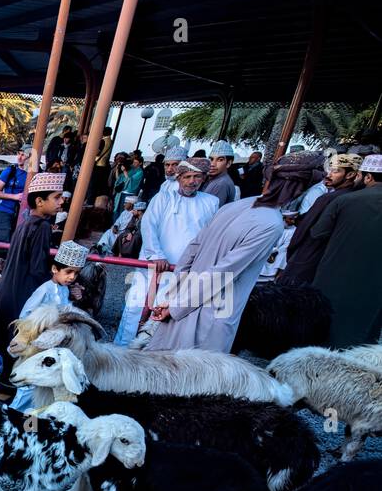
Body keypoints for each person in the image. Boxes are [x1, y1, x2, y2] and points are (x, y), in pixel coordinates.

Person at [146, 151, 322, 352]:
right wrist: (176, 307)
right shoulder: (272, 223)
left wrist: (174, 296)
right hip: (211, 313)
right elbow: (223, 272)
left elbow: (192, 250)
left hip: (184, 299)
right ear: (300, 189)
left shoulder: (237, 206)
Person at [111, 159, 219, 346]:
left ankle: (151, 354)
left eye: (197, 177)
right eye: (187, 177)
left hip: (183, 269)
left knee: (165, 311)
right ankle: (122, 350)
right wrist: (157, 255)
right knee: (136, 308)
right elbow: (148, 226)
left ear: (203, 178)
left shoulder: (211, 202)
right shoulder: (163, 198)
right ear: (178, 178)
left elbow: (209, 235)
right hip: (154, 263)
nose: (192, 181)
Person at [0, 171, 66, 400]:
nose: (61, 202)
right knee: (16, 344)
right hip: (23, 294)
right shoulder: (43, 227)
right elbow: (37, 270)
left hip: (7, 290)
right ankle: (5, 393)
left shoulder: (26, 222)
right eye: (56, 197)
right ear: (40, 200)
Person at [306, 153, 382, 346]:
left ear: (368, 177)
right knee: (360, 334)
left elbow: (317, 233)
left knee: (321, 330)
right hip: (375, 286)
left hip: (333, 276)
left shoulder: (344, 201)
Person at [12, 241, 91, 410]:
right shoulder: (44, 290)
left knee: (42, 390)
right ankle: (14, 419)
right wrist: (44, 324)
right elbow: (25, 316)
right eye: (68, 272)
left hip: (51, 348)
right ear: (55, 269)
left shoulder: (64, 289)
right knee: (27, 389)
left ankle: (32, 425)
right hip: (36, 346)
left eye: (76, 273)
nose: (72, 277)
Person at [280, 152, 362, 286]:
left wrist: (292, 254)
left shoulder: (328, 198)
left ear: (350, 175)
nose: (328, 175)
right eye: (329, 171)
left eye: (335, 171)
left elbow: (304, 230)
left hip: (305, 259)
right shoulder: (354, 197)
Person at [0, 147, 31, 243]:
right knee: (2, 245)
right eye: (19, 154)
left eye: (23, 155)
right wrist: (15, 197)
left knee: (15, 244)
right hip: (4, 211)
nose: (19, 157)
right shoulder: (10, 171)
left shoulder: (33, 173)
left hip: (22, 214)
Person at [201, 140, 240, 207]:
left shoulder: (221, 184)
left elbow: (208, 212)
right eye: (211, 159)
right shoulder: (214, 178)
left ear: (228, 163)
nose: (212, 164)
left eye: (220, 160)